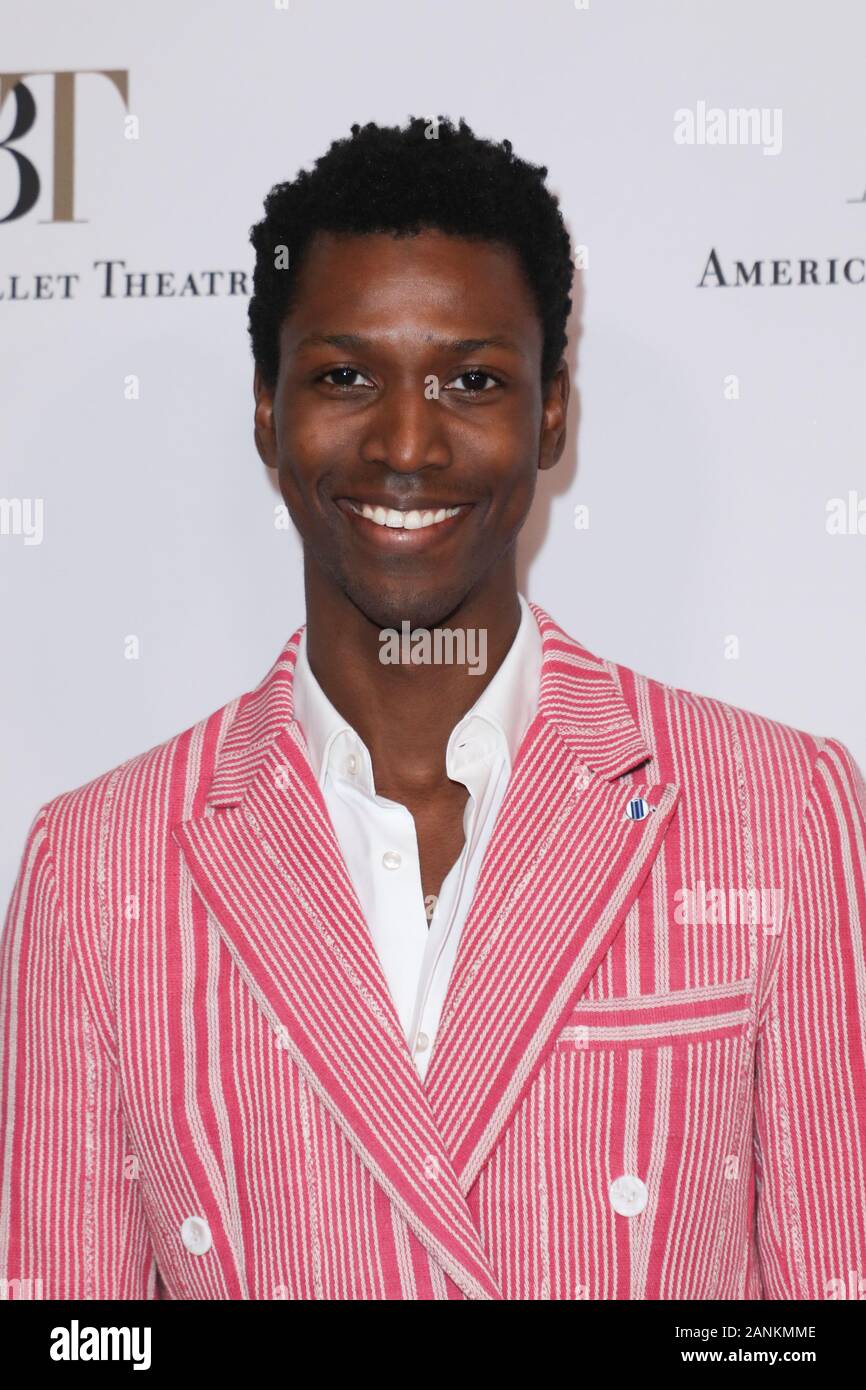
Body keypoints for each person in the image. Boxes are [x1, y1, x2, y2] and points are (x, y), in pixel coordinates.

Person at [1, 117, 864, 1301]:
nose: (406, 442)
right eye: (345, 375)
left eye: (472, 379)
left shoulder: (775, 813)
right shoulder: (97, 868)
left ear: (552, 411)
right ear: (265, 408)